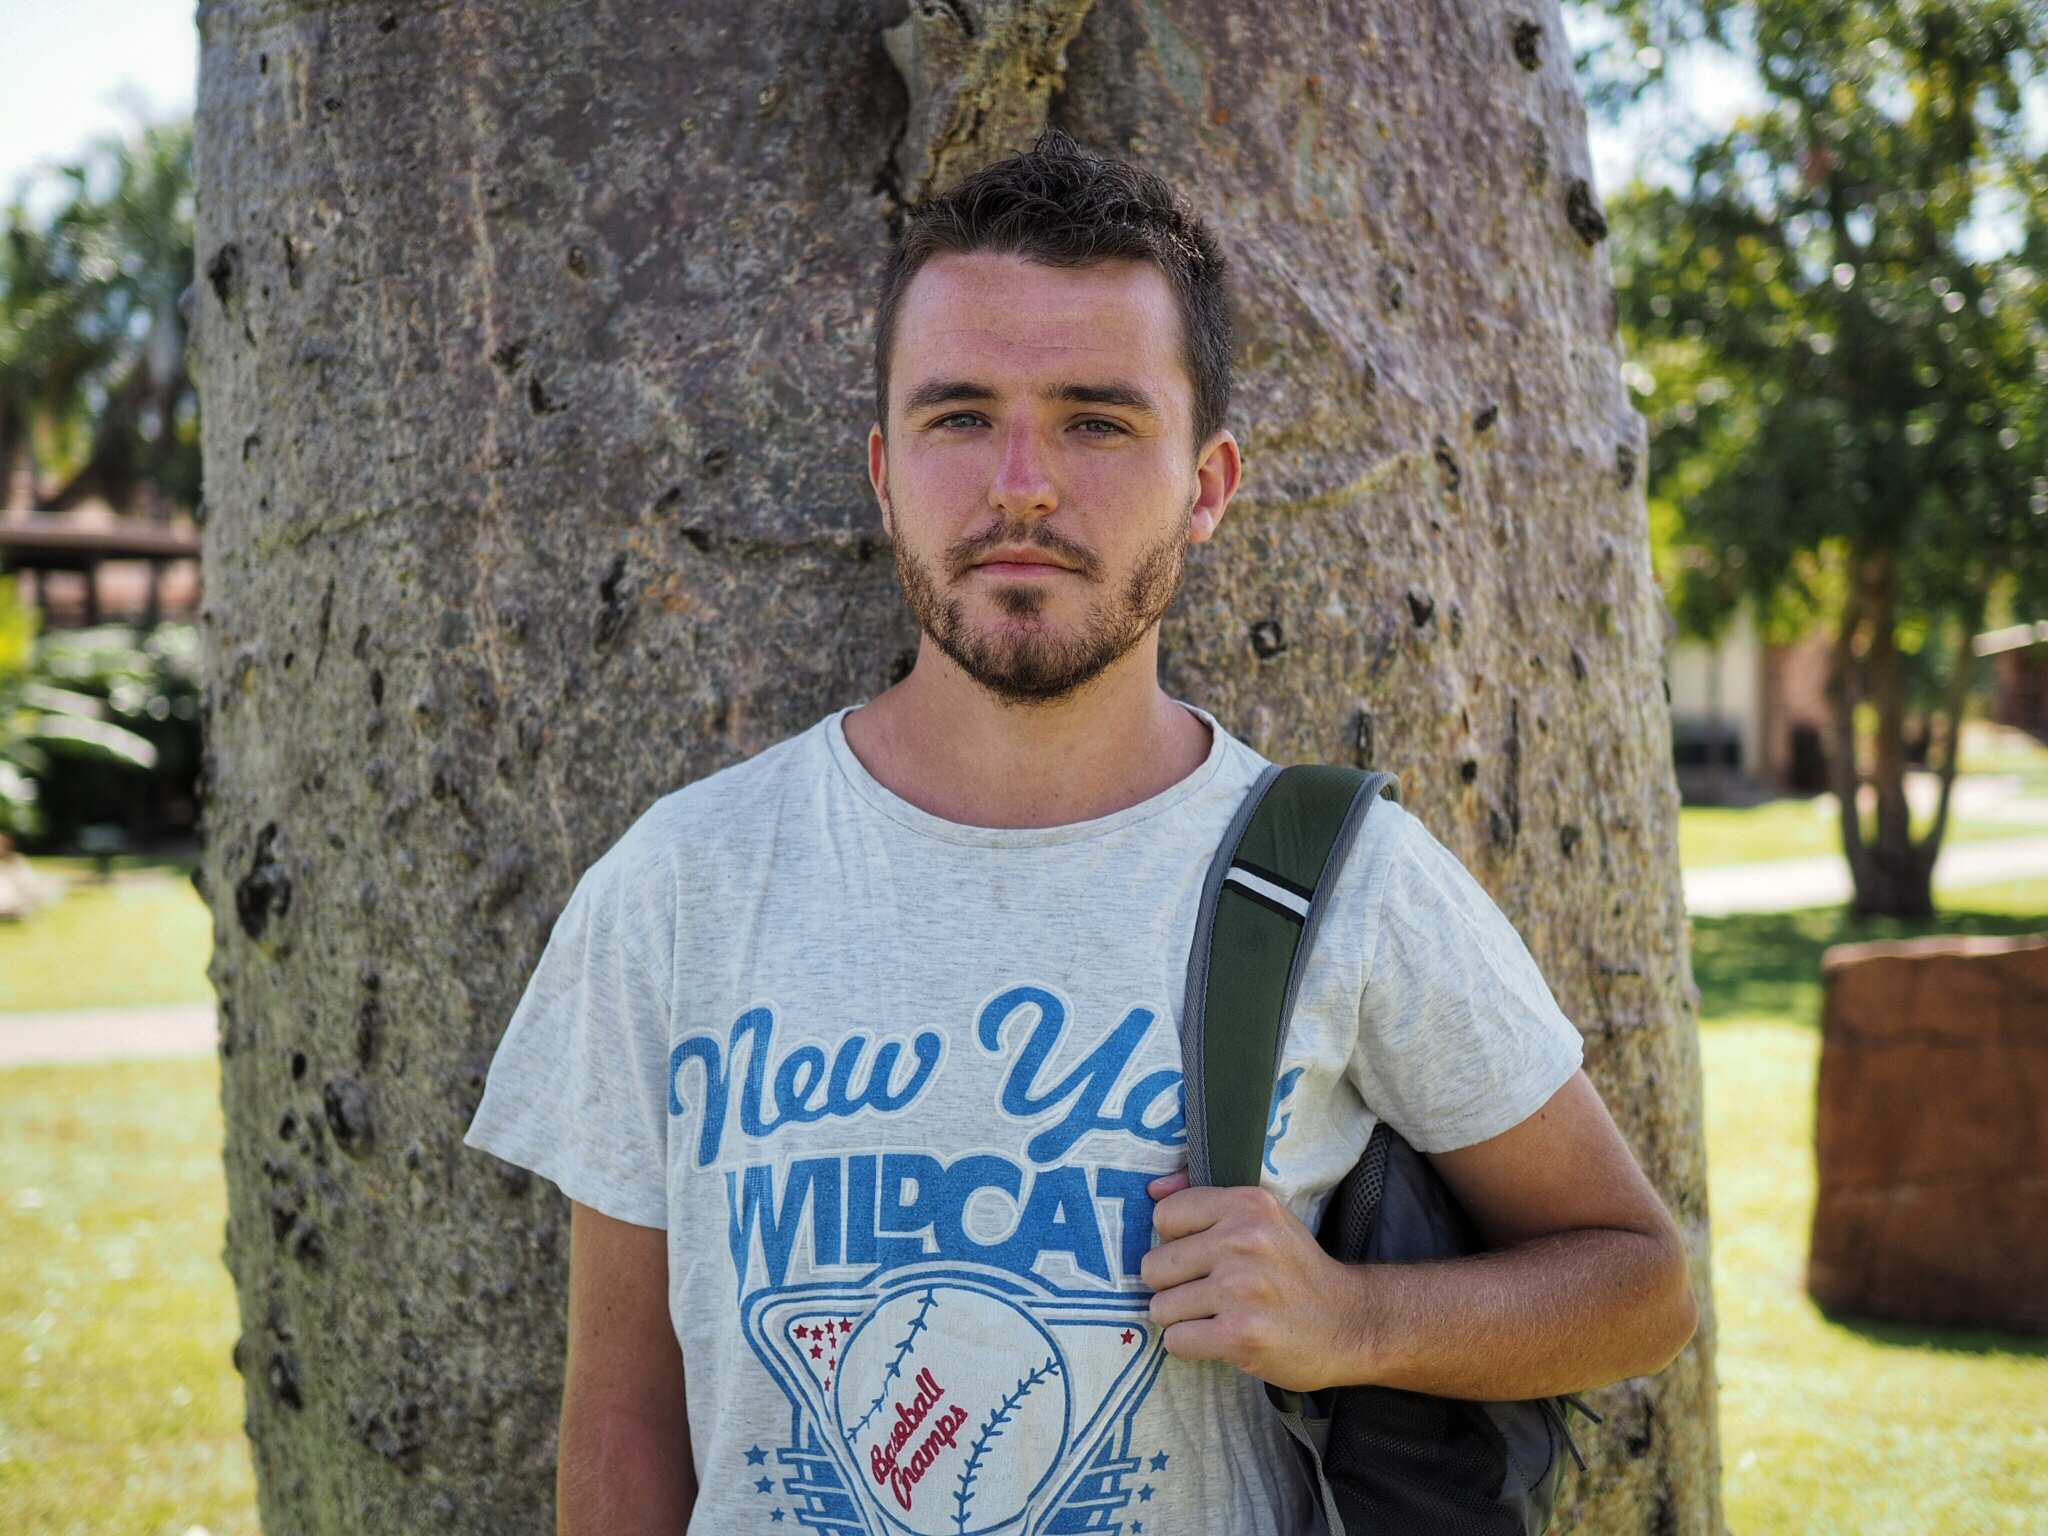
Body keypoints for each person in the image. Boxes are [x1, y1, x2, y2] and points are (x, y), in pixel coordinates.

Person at [462, 126, 1698, 1536]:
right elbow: (622, 1418)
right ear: (883, 470)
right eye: (960, 416)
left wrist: (1351, 1318)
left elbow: (1639, 1286)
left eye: (1099, 421)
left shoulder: (1335, 882)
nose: (1024, 483)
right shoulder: (682, 885)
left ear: (1211, 484)